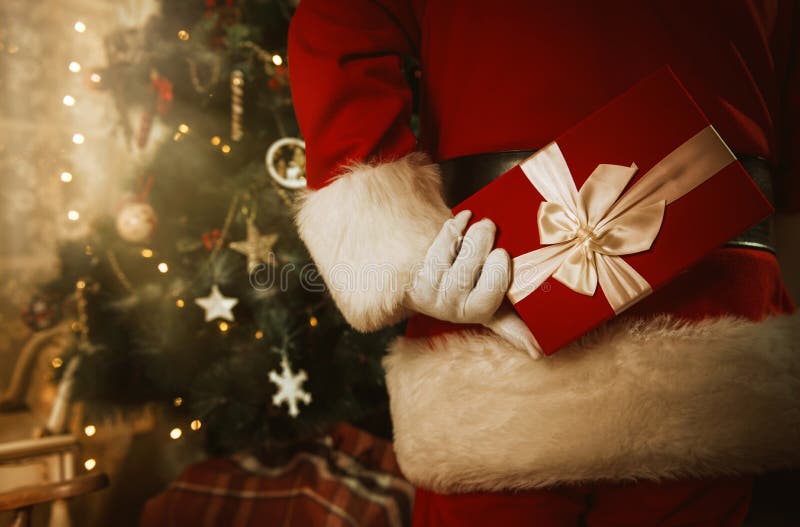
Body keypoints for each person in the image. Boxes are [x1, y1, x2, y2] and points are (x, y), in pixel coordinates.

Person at [288, 2, 800, 525]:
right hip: (506, 294)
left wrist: (391, 240)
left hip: (528, 305)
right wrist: (401, 247)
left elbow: (338, 24)